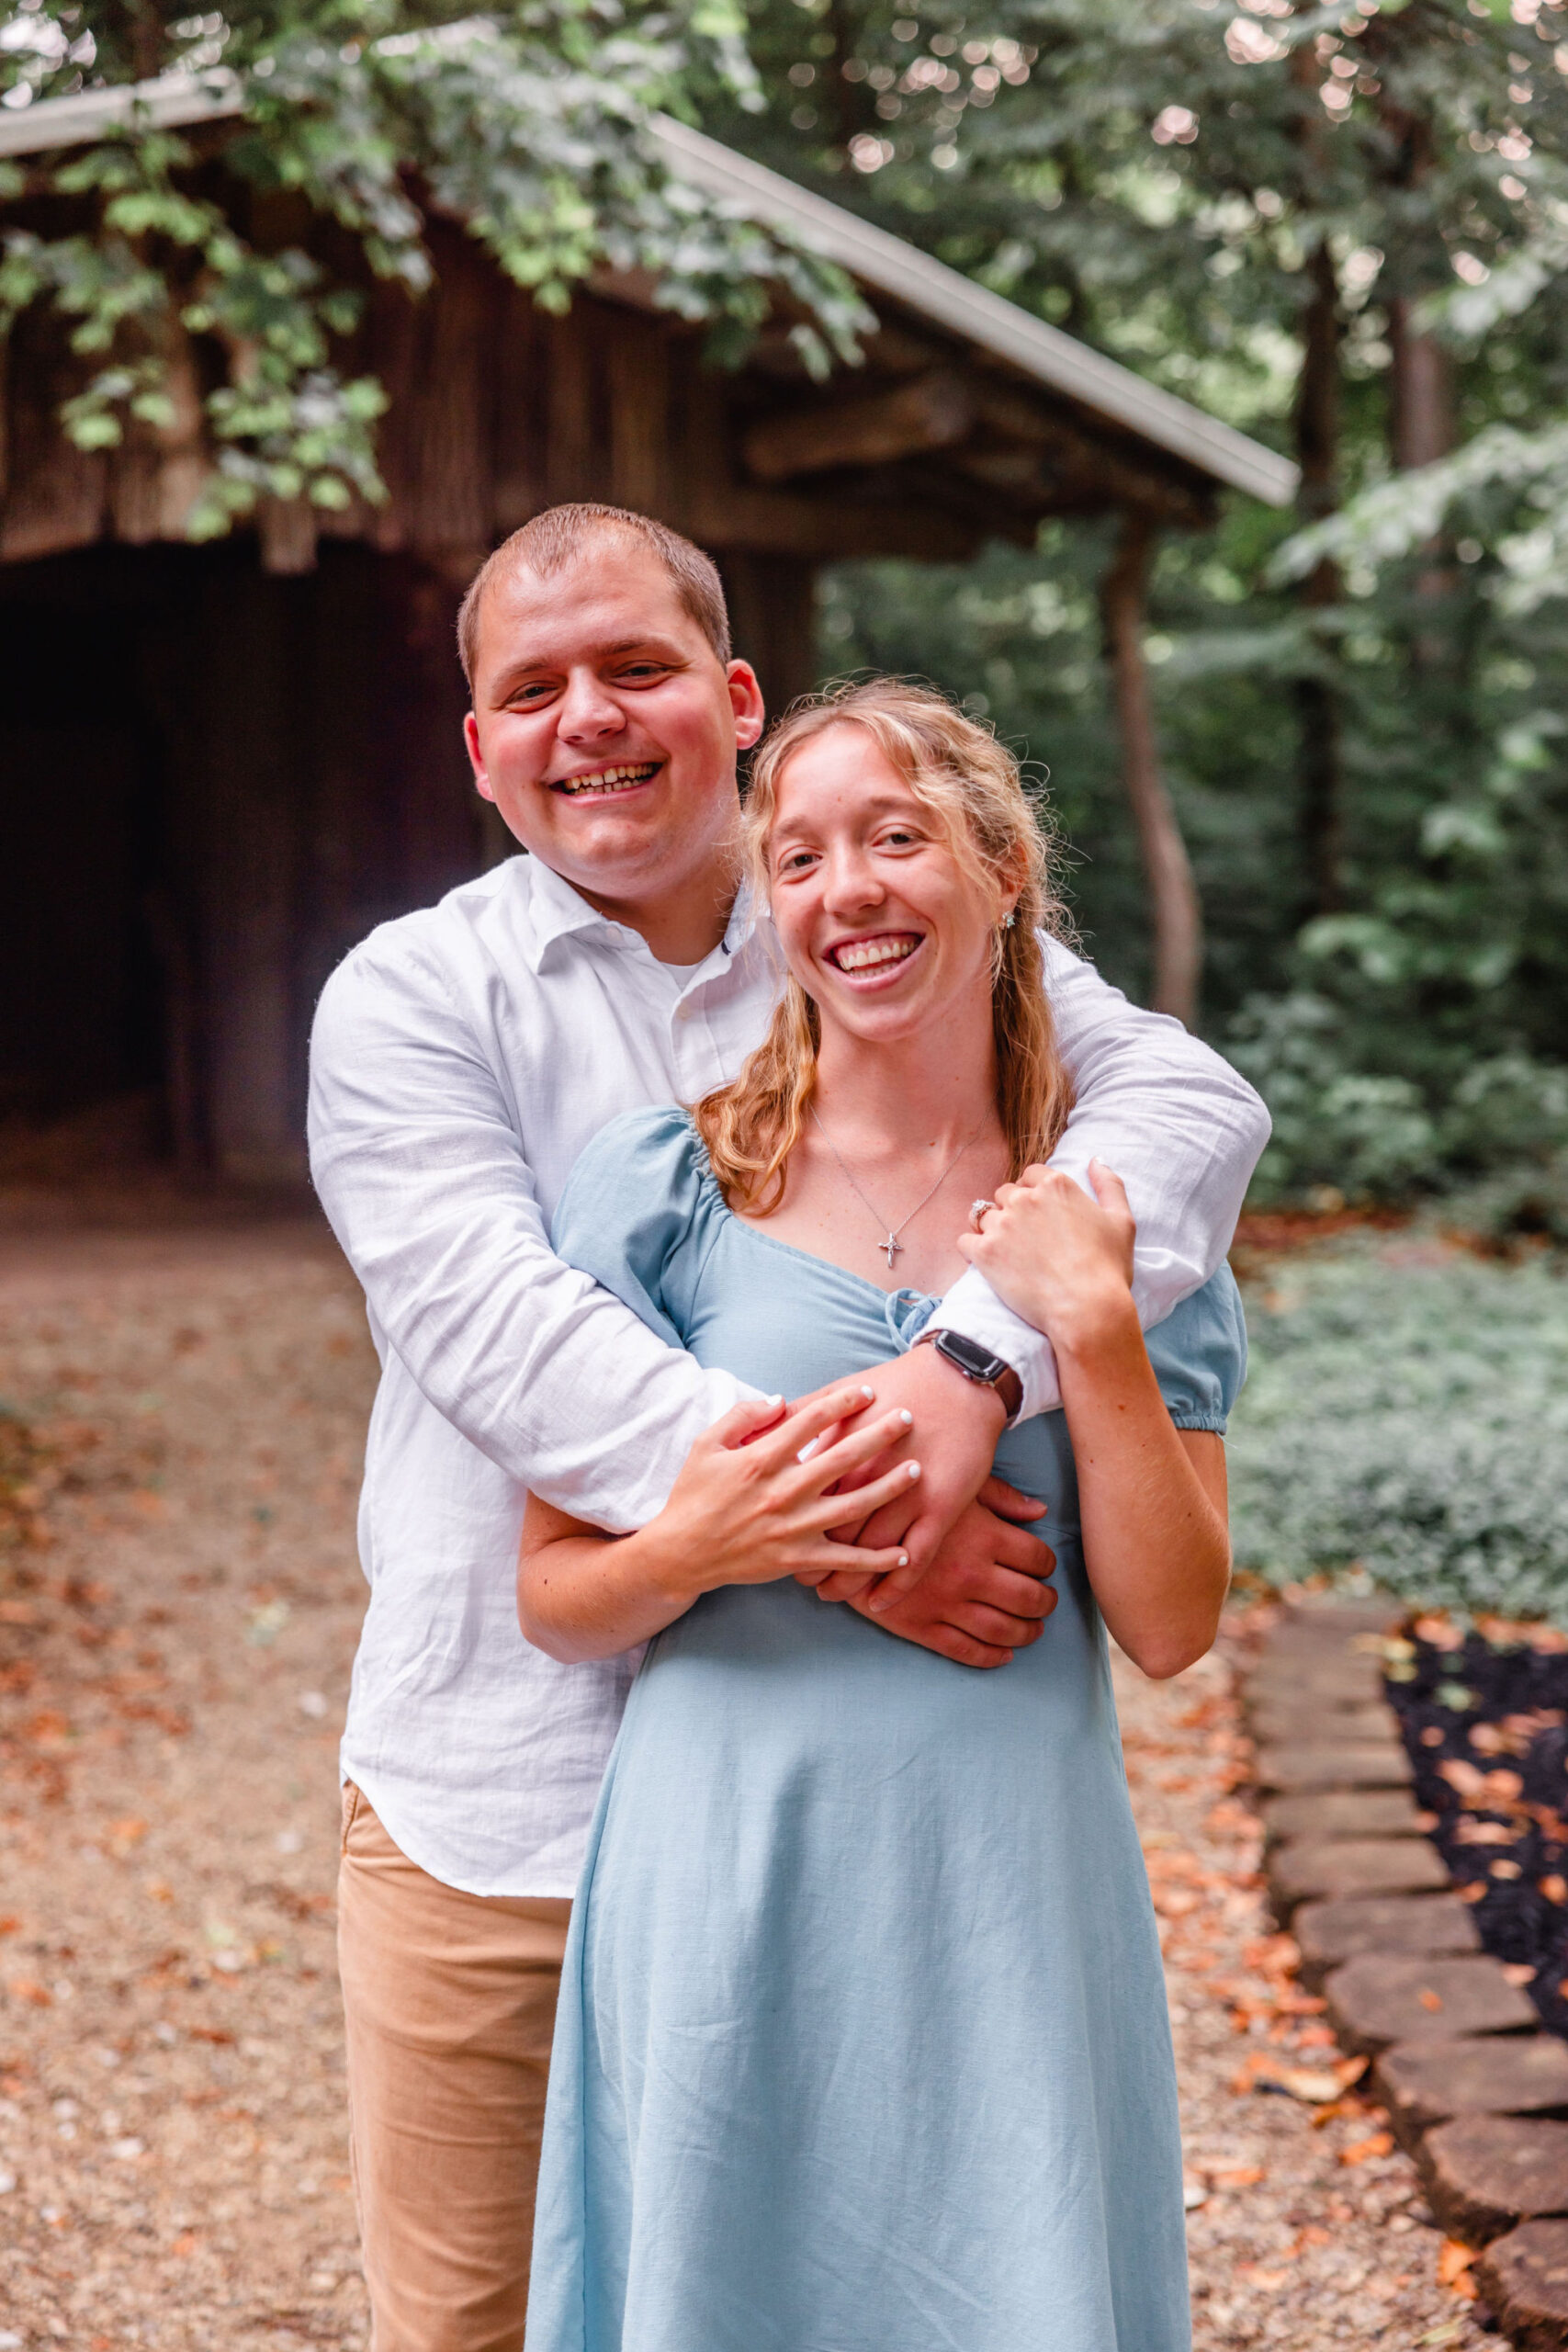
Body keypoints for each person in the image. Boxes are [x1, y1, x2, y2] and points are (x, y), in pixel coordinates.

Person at [307, 503, 1268, 2351]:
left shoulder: (858, 911)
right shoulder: (413, 999)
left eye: (636, 668)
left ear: (731, 699)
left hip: (887, 1842)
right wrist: (865, 1524)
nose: (587, 715)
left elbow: (1183, 1108)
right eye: (533, 687)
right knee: (485, 2322)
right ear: (480, 747)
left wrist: (968, 1361)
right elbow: (506, 1341)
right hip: (497, 1799)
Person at [520, 681, 1242, 2351]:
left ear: (1003, 877)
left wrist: (1095, 1324)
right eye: (799, 857)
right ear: (770, 909)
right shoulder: (667, 1184)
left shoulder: (1126, 1207)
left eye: (896, 837)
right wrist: (714, 1543)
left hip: (1007, 1897)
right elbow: (557, 1594)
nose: (847, 890)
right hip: (726, 1880)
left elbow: (1172, 1622)